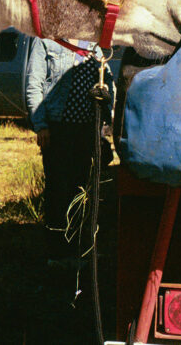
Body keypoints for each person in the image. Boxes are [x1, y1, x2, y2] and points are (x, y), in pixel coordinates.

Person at [25, 37, 112, 258]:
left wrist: (105, 120)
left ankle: (78, 248)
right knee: (58, 189)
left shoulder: (93, 46)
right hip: (57, 129)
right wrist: (41, 125)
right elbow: (34, 84)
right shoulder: (46, 41)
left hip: (86, 131)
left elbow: (107, 82)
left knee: (81, 188)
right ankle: (56, 252)